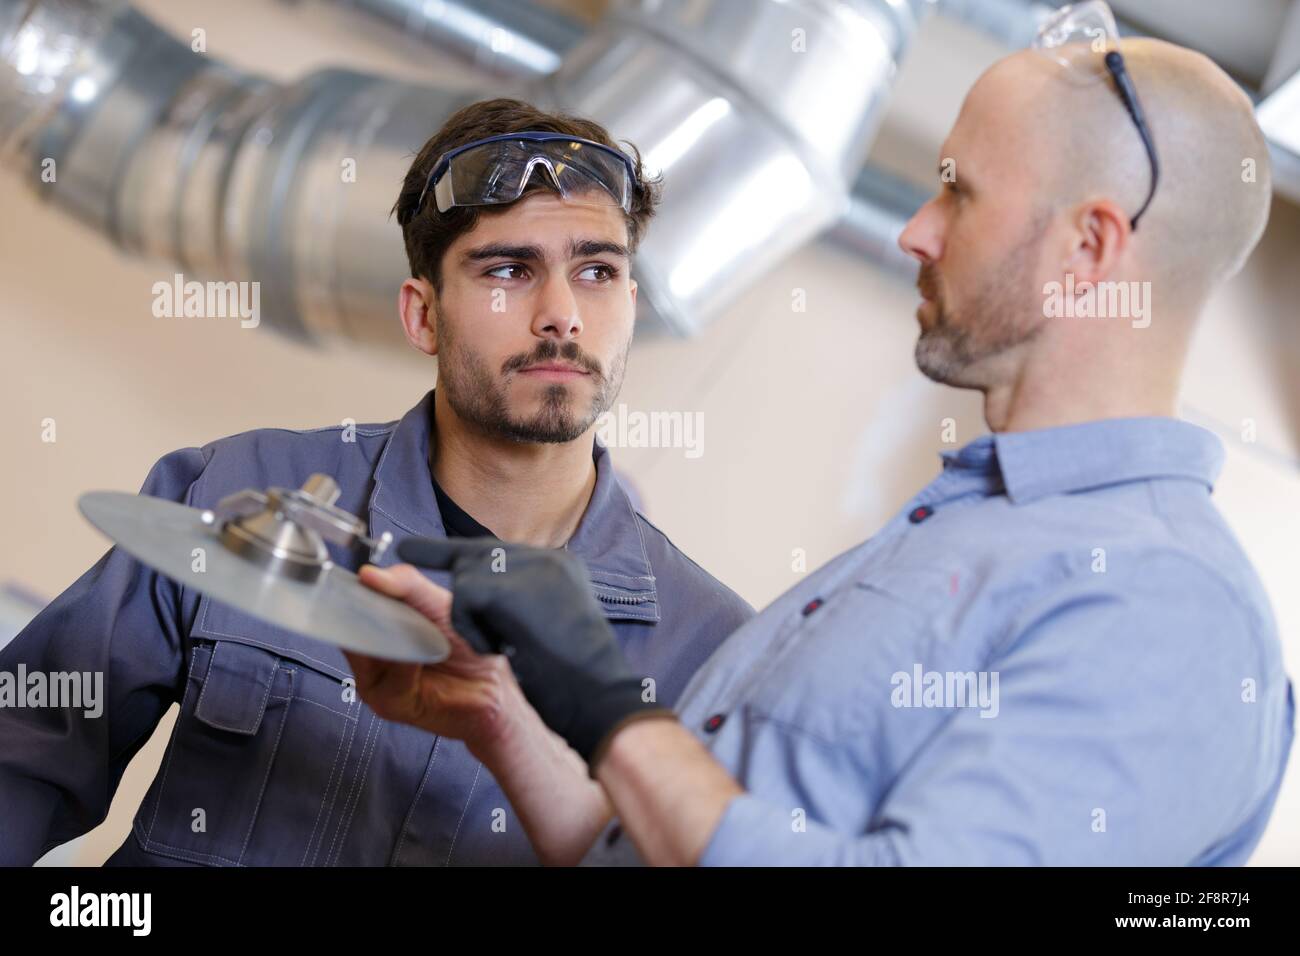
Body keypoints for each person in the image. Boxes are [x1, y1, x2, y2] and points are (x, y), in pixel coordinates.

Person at [347, 32, 1295, 865]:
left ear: (1088, 247)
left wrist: (609, 709)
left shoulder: (1166, 606)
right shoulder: (957, 530)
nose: (915, 233)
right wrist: (501, 715)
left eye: (960, 196)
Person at [0, 98, 753, 866]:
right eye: (508, 270)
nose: (560, 315)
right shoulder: (237, 493)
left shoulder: (716, 652)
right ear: (423, 315)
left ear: (629, 304)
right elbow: (20, 754)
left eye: (596, 271)